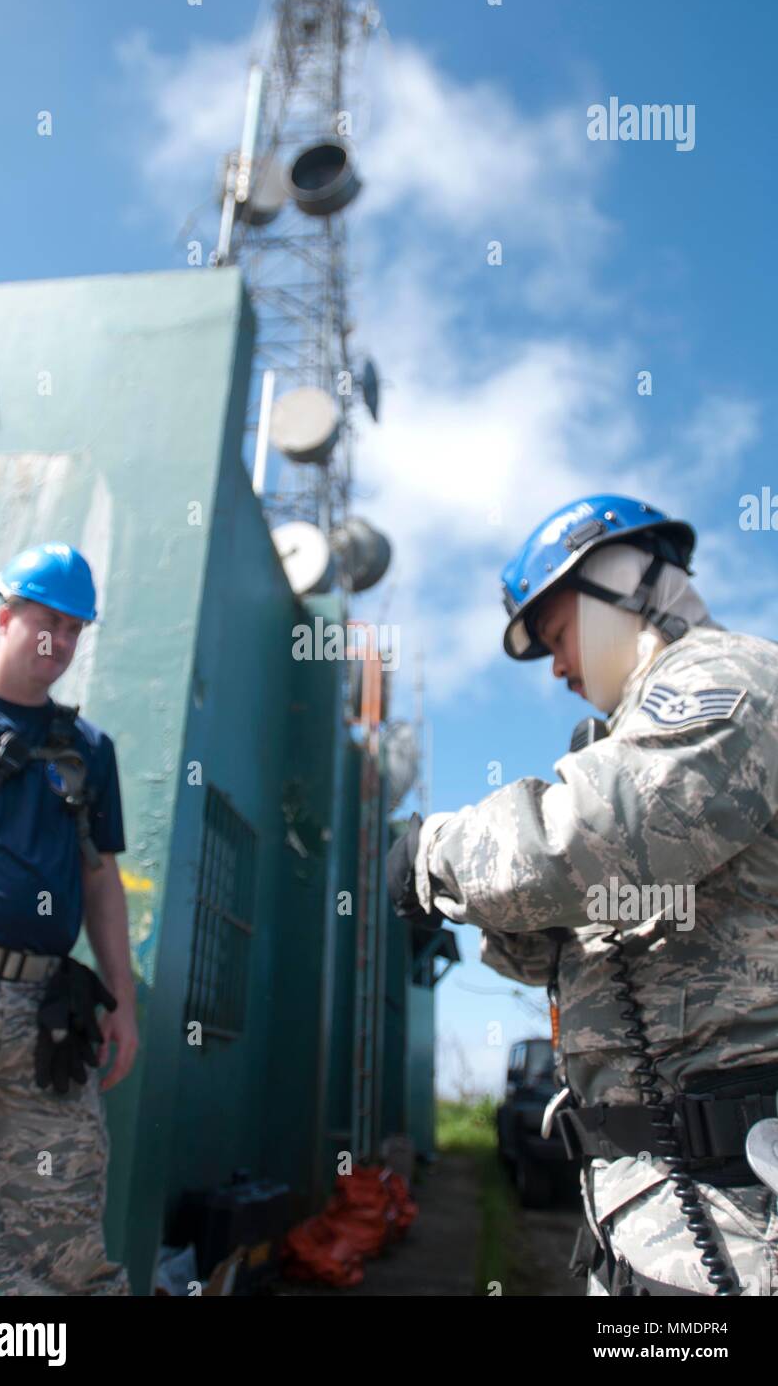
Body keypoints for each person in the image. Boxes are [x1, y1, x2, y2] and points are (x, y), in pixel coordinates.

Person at [388, 494, 778, 1297]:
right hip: (659, 1205)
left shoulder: (729, 676)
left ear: (620, 582)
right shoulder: (637, 731)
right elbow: (582, 935)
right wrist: (521, 926)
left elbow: (598, 830)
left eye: (557, 635)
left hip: (735, 1220)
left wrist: (432, 856)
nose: (559, 670)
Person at [0, 542, 137, 1296]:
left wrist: (124, 1005)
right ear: (6, 619)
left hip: (46, 1022)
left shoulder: (86, 752)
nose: (62, 644)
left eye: (76, 630)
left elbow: (100, 880)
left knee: (59, 1245)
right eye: (48, 622)